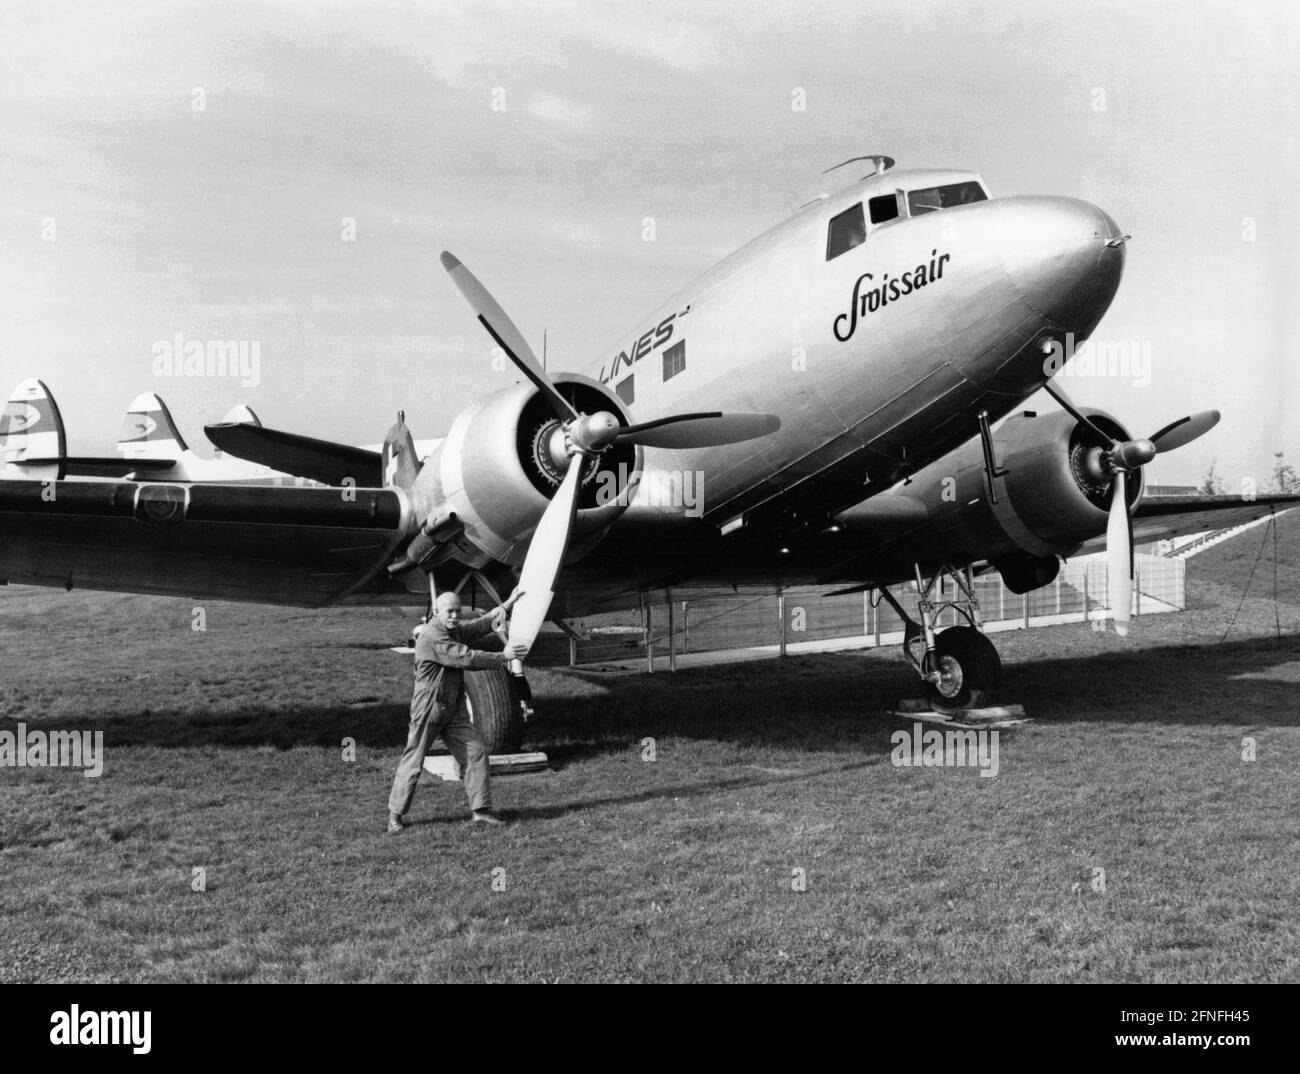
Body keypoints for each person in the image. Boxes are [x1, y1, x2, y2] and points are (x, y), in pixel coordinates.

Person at [387, 590, 527, 833]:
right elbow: (466, 658)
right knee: (414, 760)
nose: (454, 616)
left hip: (453, 707)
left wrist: (507, 604)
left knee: (476, 753)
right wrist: (502, 657)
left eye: (457, 611)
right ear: (437, 612)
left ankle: (480, 811)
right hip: (429, 708)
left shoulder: (451, 630)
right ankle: (395, 815)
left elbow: (478, 626)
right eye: (449, 611)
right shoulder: (433, 636)